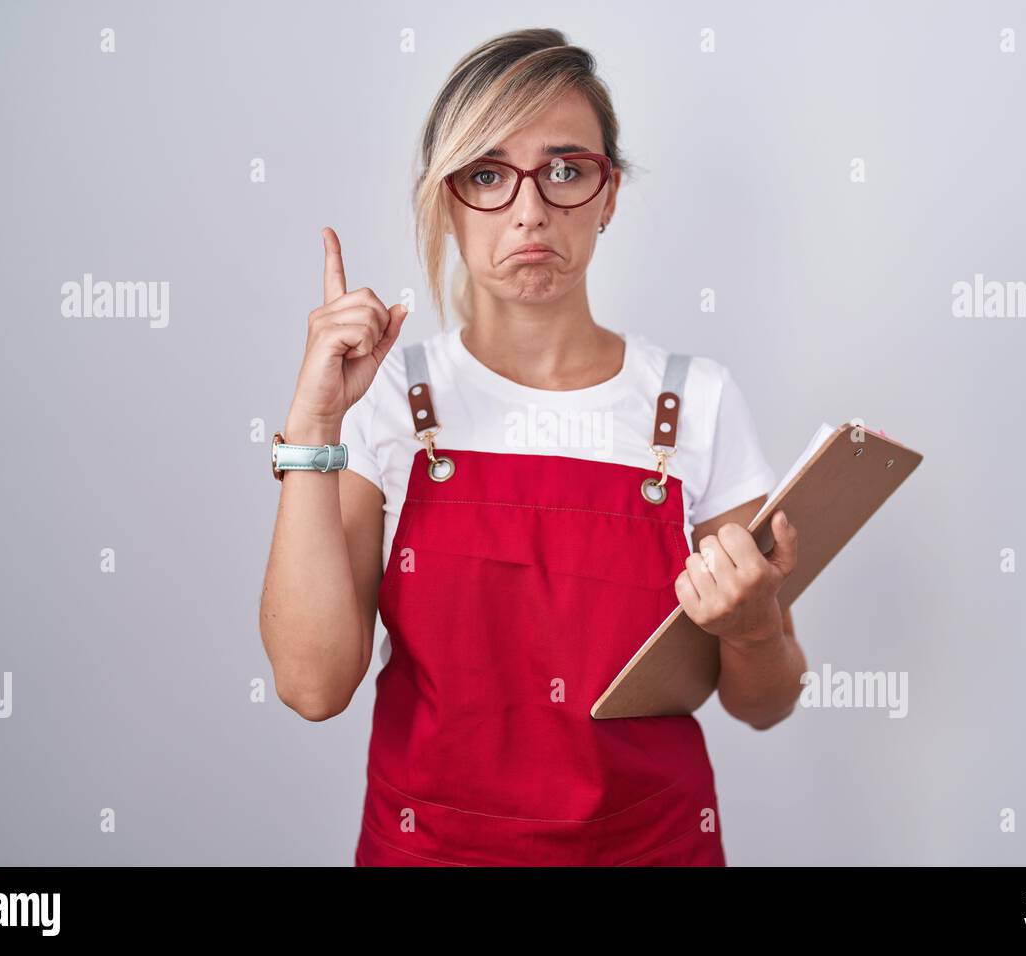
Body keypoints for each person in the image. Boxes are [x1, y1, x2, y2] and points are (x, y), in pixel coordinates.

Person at [259, 28, 806, 867]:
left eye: (564, 169)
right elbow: (311, 685)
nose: (528, 208)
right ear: (447, 199)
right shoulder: (382, 407)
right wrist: (316, 425)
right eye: (487, 174)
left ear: (608, 192)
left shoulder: (697, 401)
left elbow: (763, 705)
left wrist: (758, 630)